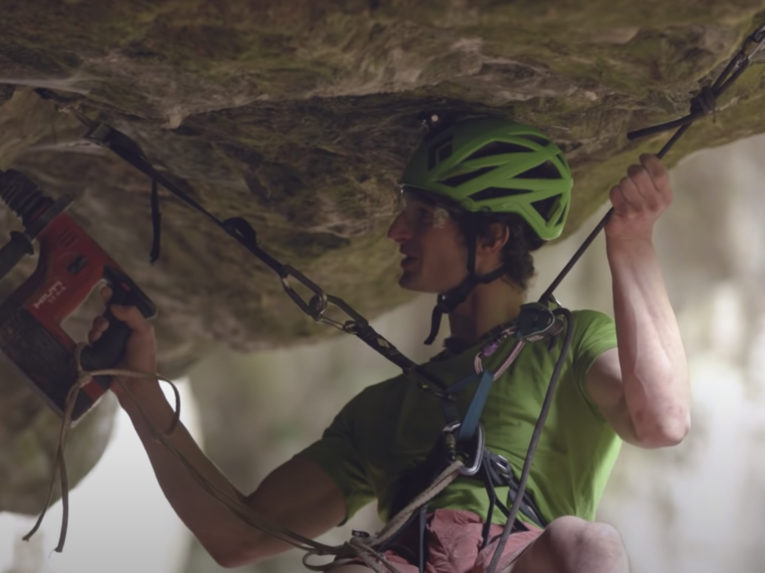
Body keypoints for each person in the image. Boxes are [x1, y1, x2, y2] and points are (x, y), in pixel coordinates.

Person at [86, 116, 690, 573]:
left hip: (527, 559)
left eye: (424, 215)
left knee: (588, 544)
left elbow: (661, 420)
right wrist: (138, 390)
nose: (396, 231)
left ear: (493, 236)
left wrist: (632, 245)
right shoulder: (378, 413)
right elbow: (237, 534)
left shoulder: (574, 343)